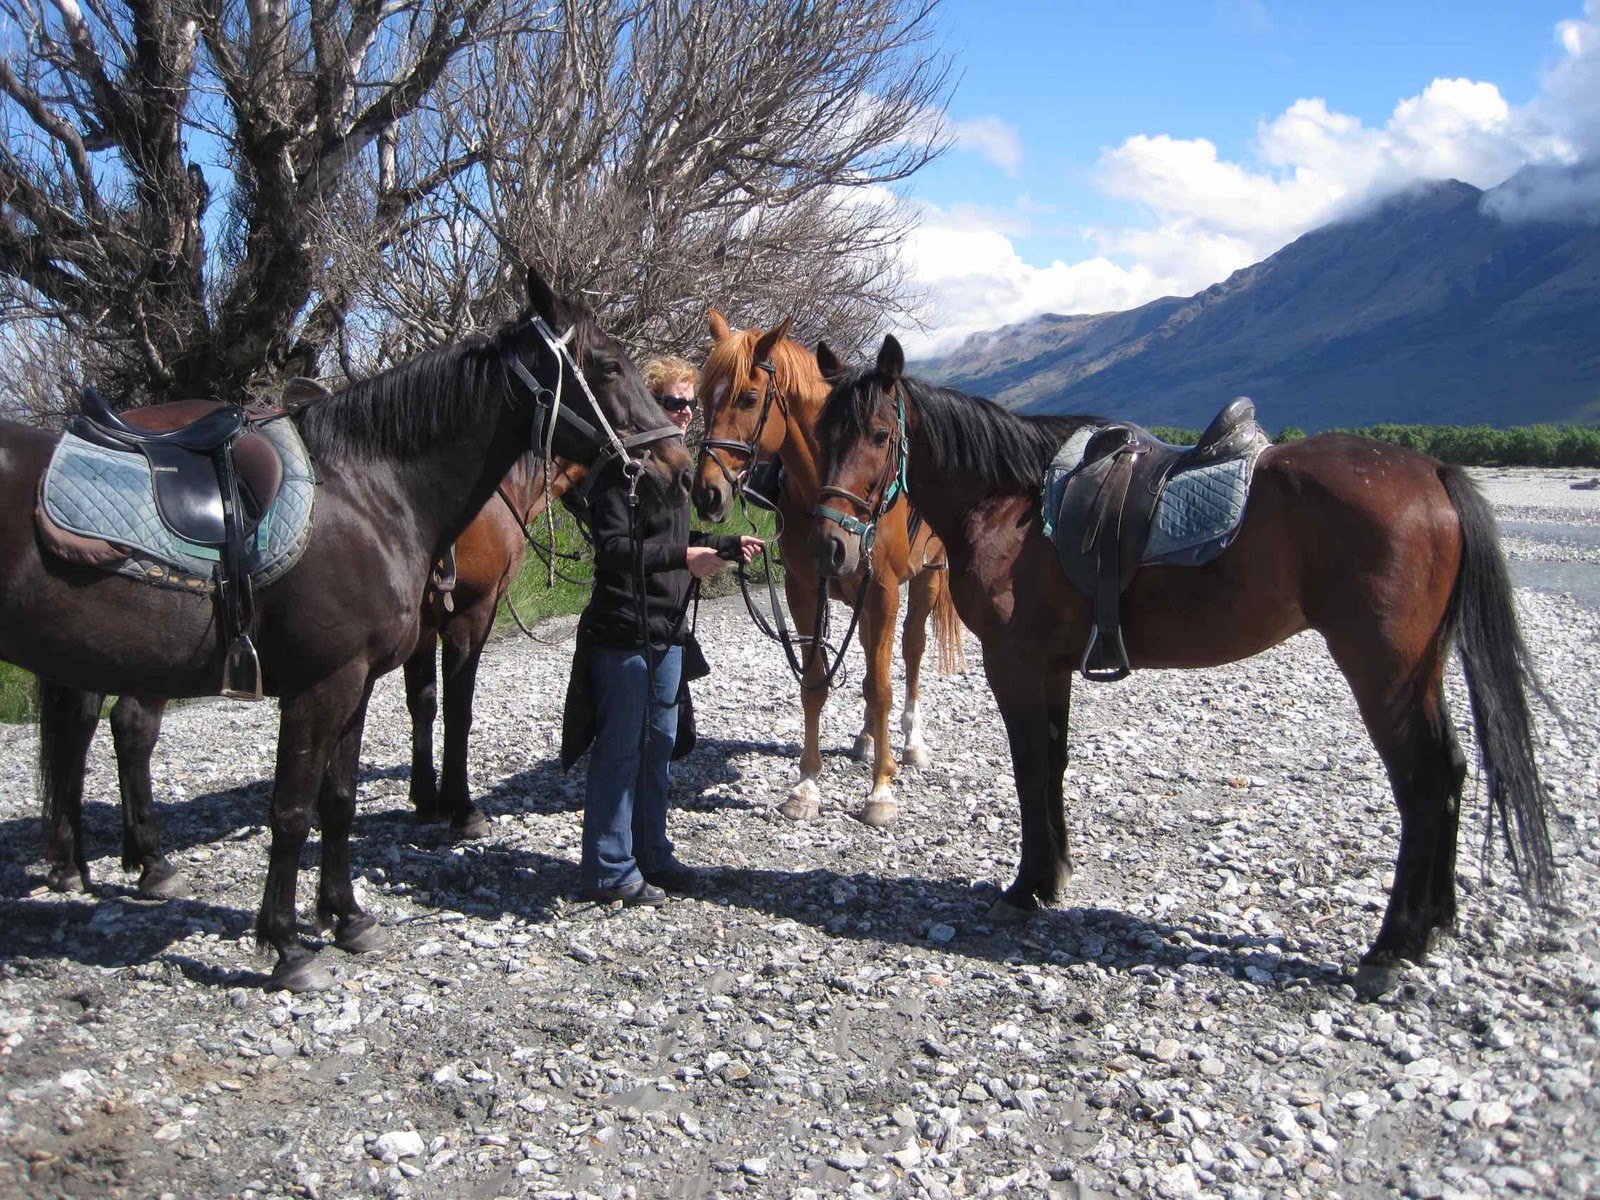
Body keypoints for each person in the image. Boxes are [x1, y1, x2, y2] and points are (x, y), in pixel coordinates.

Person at [565, 356, 762, 906]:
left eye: (690, 404)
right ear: (651, 403)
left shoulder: (672, 469)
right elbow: (614, 550)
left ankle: (651, 852)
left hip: (668, 631)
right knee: (620, 749)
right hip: (623, 630)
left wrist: (721, 546)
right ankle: (607, 869)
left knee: (659, 746)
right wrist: (687, 555)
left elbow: (673, 534)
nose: (685, 413)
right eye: (675, 403)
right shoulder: (618, 470)